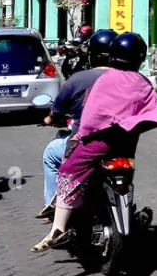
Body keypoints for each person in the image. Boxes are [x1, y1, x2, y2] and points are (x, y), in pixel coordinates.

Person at [32, 32, 157, 252]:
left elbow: (93, 115)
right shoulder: (143, 81)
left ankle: (58, 227)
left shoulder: (104, 80)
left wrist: (80, 135)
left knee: (67, 170)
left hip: (97, 144)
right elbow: (152, 112)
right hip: (126, 145)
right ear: (140, 58)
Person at [37, 28, 114, 221]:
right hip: (120, 144)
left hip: (85, 144)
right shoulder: (130, 79)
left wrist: (48, 120)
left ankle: (54, 209)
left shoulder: (78, 78)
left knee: (51, 154)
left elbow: (56, 112)